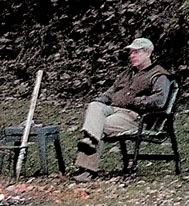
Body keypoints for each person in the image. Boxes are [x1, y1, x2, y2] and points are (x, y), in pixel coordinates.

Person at [73, 37, 170, 182]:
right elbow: (110, 93)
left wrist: (137, 101)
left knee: (97, 126)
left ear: (148, 53)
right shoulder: (127, 73)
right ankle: (90, 141)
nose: (132, 56)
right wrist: (97, 102)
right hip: (113, 109)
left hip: (133, 117)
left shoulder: (159, 75)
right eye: (131, 53)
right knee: (94, 107)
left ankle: (87, 170)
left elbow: (159, 101)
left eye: (136, 52)